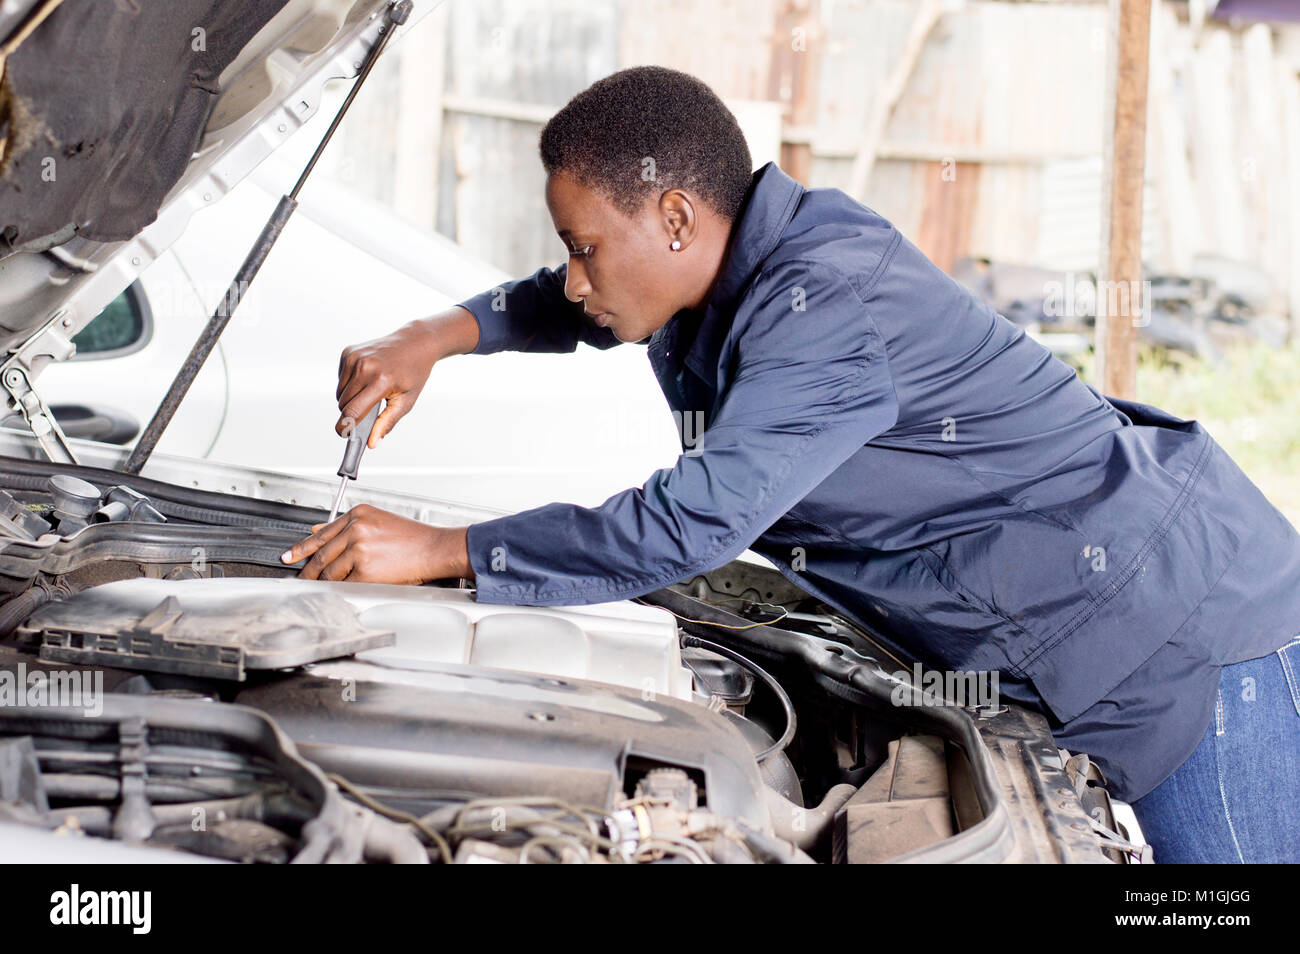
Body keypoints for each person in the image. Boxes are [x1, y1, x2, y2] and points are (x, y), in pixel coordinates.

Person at [282, 66, 1300, 863]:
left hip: (1186, 635)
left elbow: (688, 523)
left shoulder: (820, 308)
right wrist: (438, 332)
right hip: (1086, 619)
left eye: (584, 245)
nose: (577, 275)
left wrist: (444, 548)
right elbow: (575, 302)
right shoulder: (721, 268)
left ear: (677, 218)